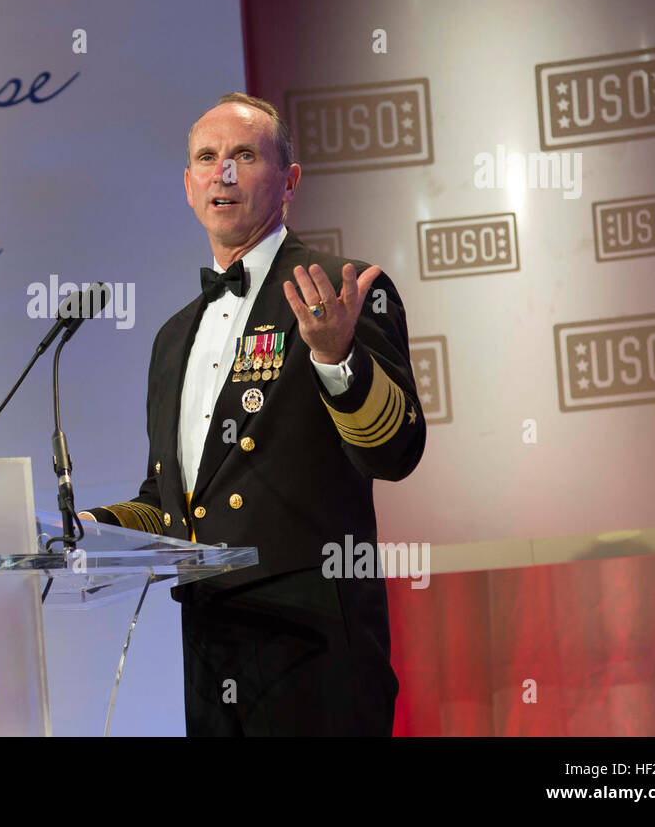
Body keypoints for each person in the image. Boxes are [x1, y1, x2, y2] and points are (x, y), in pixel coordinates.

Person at [81, 93, 426, 736]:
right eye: (207, 159)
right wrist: (83, 529)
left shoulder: (342, 289)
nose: (225, 174)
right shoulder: (170, 338)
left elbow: (395, 452)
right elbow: (167, 502)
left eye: (245, 155)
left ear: (290, 181)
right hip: (211, 650)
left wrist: (336, 360)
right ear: (188, 186)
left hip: (316, 645)